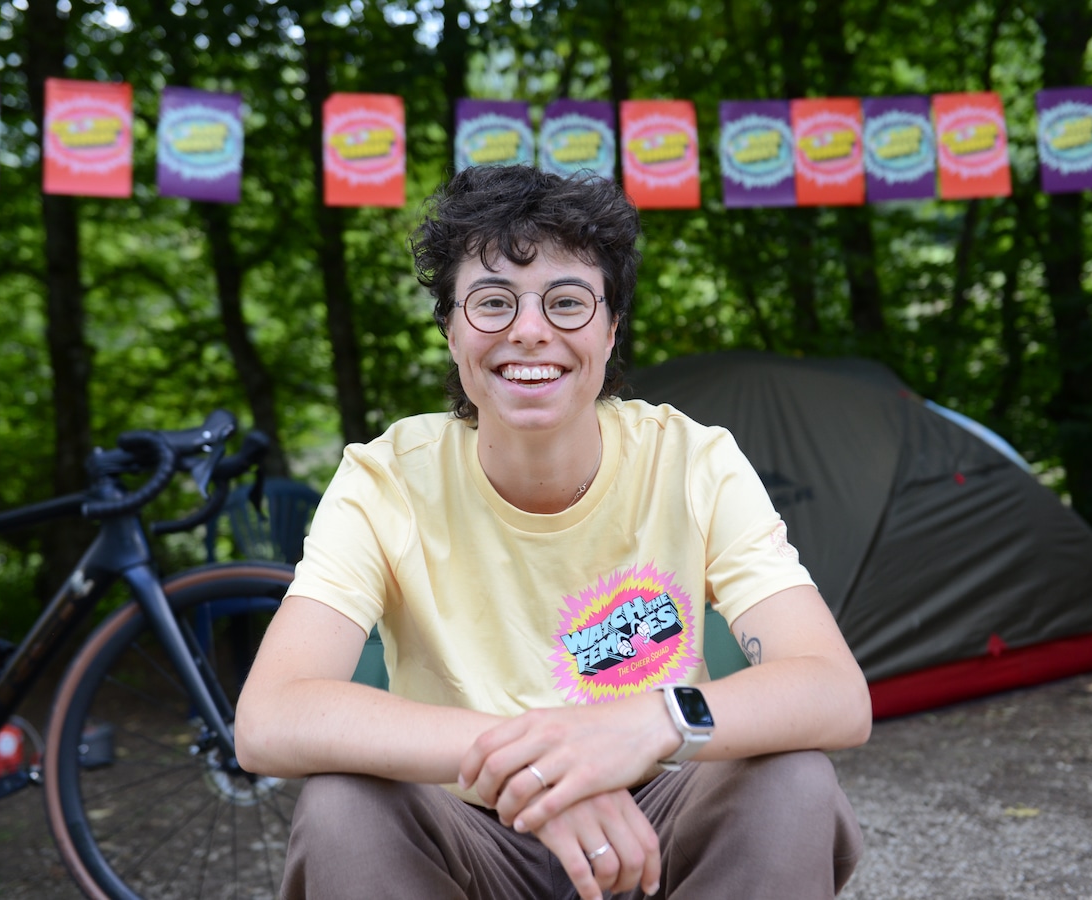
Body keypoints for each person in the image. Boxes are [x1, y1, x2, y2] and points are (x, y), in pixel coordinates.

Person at [234, 164, 870, 900]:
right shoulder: (387, 480)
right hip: (466, 831)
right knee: (342, 806)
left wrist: (651, 723)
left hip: (658, 823)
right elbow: (271, 713)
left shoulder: (694, 461)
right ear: (450, 329)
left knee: (792, 779)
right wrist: (546, 765)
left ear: (610, 328)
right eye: (492, 302)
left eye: (567, 302)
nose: (530, 331)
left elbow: (835, 693)